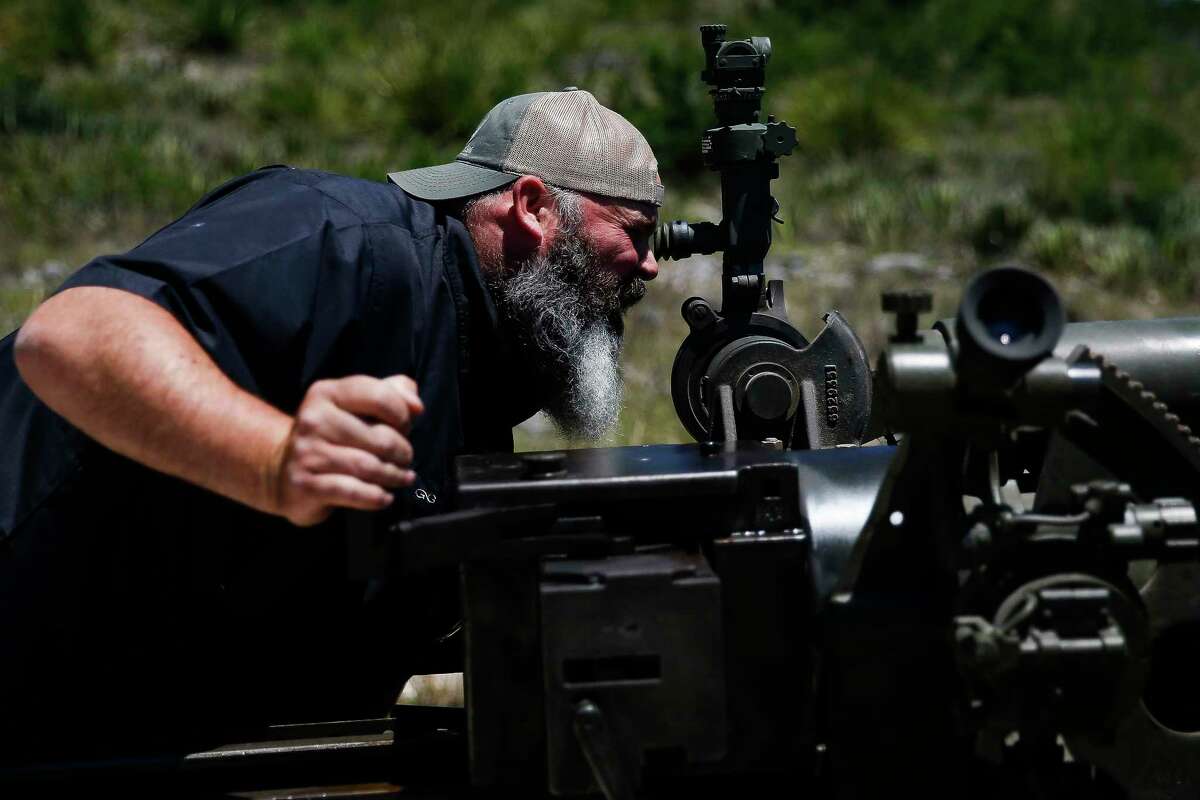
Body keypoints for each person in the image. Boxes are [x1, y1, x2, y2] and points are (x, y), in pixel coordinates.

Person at [0, 88, 661, 759]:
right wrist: (273, 458)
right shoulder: (342, 239)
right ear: (533, 207)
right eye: (634, 232)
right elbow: (69, 335)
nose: (652, 265)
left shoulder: (478, 373)